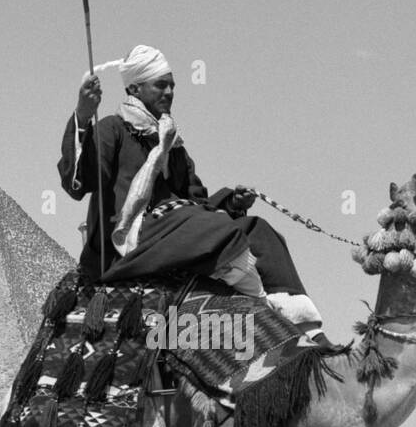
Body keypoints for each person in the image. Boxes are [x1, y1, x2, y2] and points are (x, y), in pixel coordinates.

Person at [58, 45, 324, 331]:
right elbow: (79, 183)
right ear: (135, 89)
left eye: (172, 86)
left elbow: (196, 200)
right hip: (130, 237)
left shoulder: (171, 143)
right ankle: (266, 311)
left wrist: (233, 202)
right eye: (161, 85)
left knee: (258, 230)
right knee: (216, 229)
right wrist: (83, 118)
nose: (169, 92)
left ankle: (305, 324)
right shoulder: (112, 129)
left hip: (176, 225)